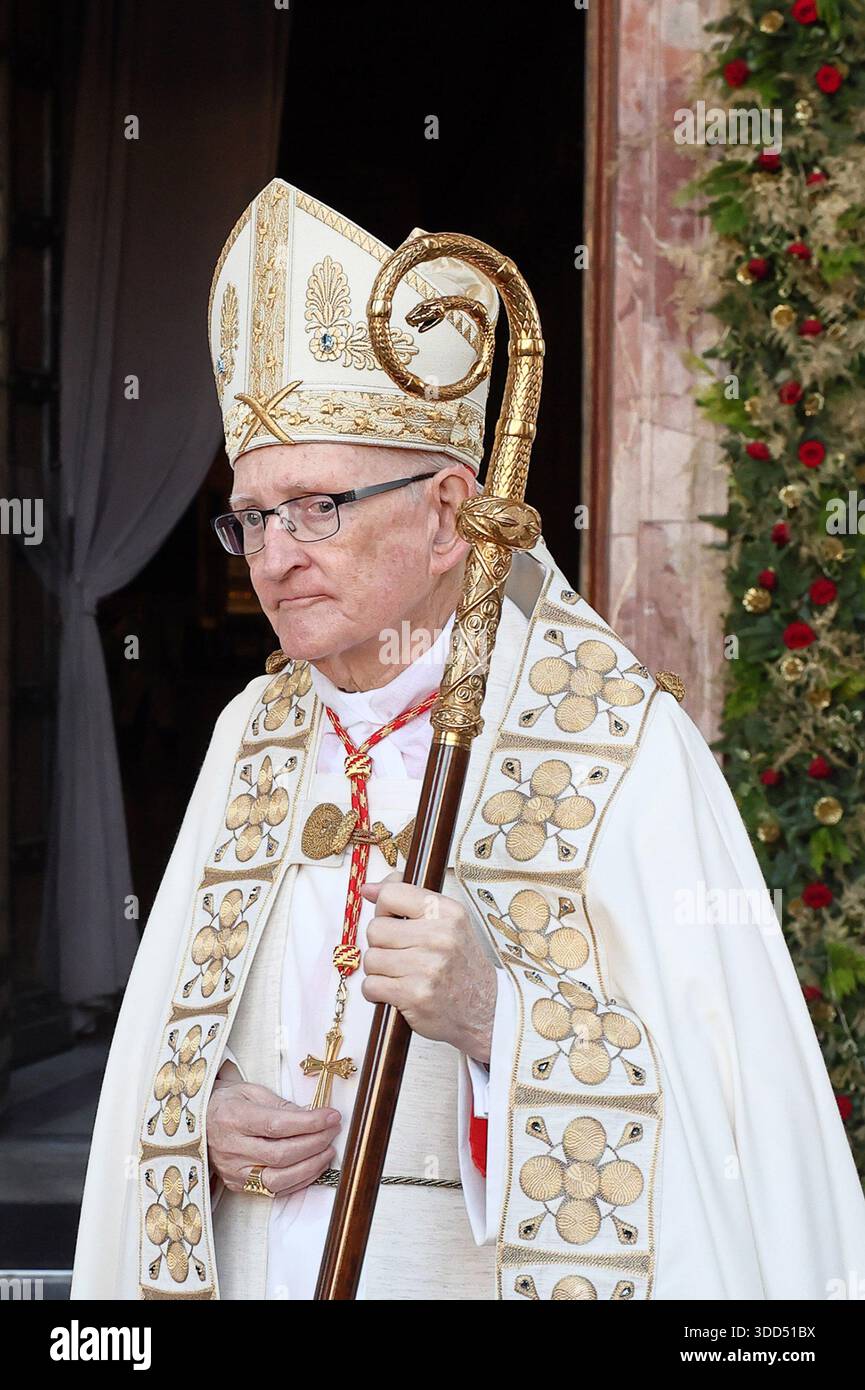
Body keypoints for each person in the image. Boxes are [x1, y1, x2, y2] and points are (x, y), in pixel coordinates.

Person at [71, 178, 865, 1302]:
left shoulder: (616, 741)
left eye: (319, 506)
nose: (274, 553)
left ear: (449, 514)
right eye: (251, 515)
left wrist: (500, 1020)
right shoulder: (252, 732)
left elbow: (728, 1130)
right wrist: (198, 1114)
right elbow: (164, 1050)